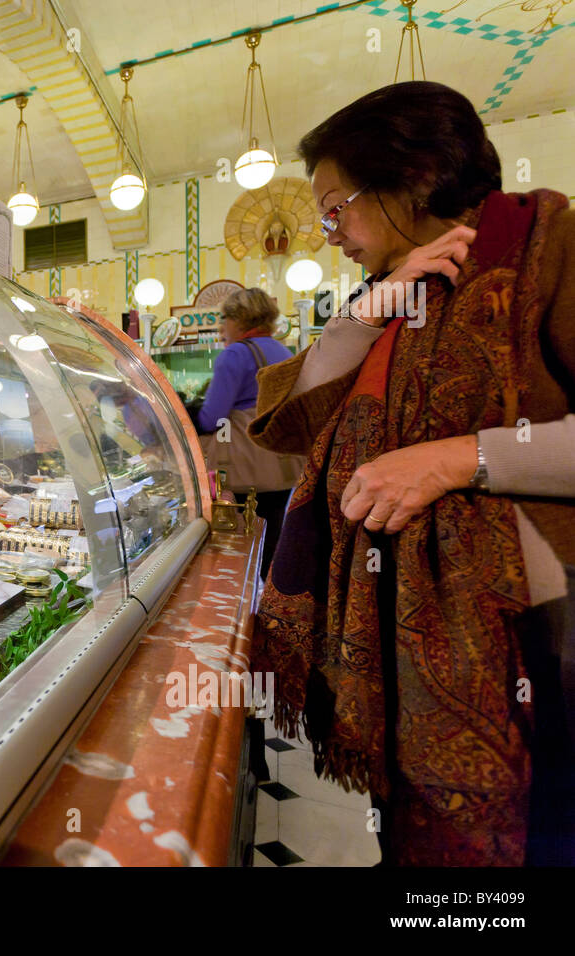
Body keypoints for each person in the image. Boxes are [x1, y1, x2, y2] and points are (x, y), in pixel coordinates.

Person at [248, 81, 575, 866]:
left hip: (534, 652)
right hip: (410, 664)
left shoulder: (549, 246)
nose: (331, 235)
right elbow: (292, 424)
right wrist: (369, 309)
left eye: (339, 207)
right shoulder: (405, 295)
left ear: (418, 175)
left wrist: (462, 457)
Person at [195, 287, 301, 578]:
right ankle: (267, 601)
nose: (221, 328)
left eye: (224, 319)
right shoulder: (283, 350)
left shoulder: (236, 354)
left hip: (245, 467)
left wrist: (189, 413)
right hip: (281, 466)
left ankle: (241, 611)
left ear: (241, 319)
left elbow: (211, 419)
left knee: (242, 545)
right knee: (270, 539)